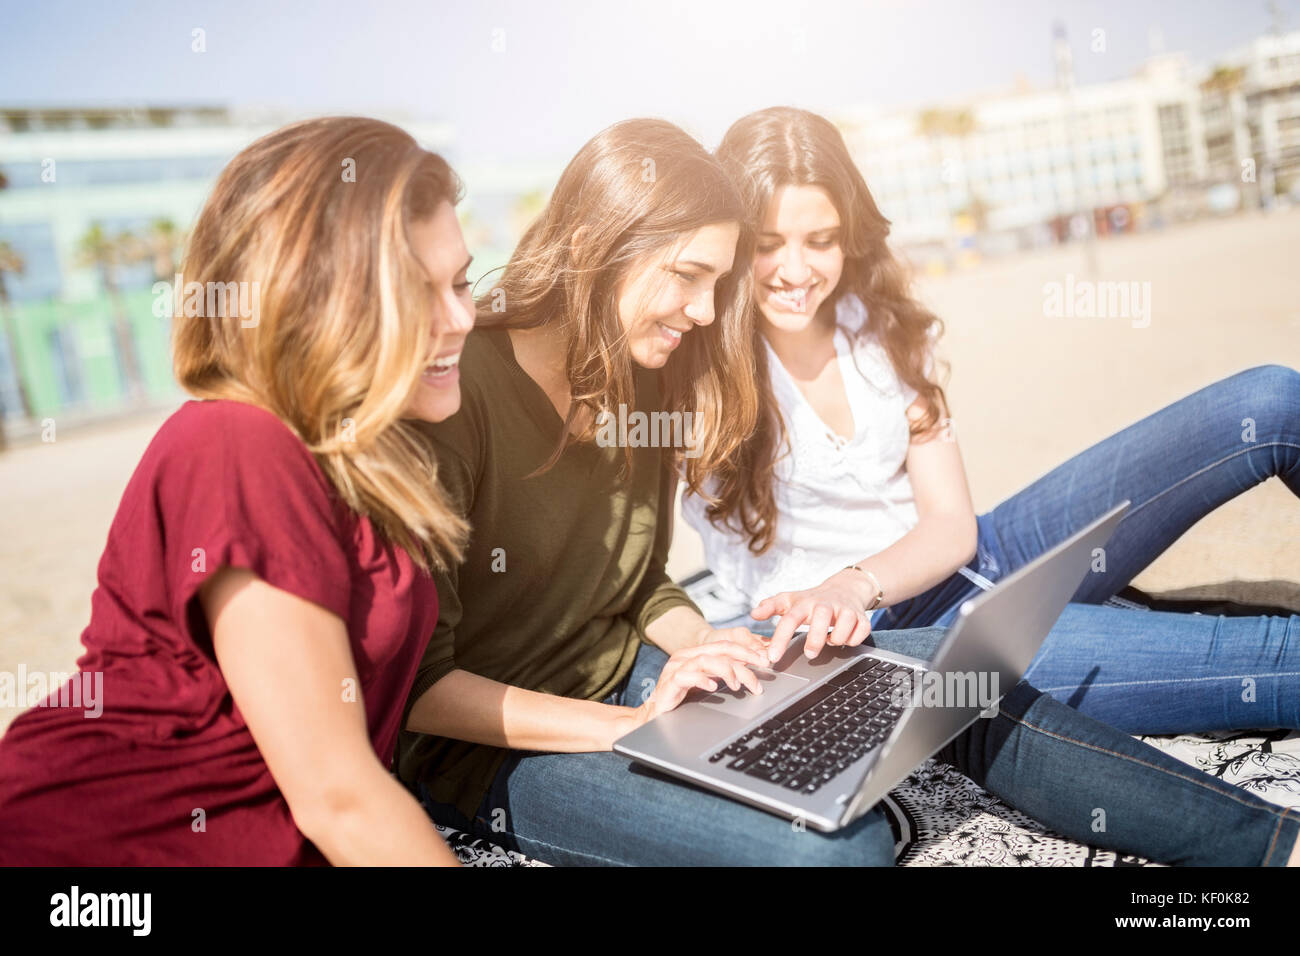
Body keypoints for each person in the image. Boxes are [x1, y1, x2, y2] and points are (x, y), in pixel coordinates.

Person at [399, 117, 1300, 867]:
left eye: (717, 283)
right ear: (606, 244)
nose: (709, 311)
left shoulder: (644, 373)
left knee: (957, 684)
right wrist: (633, 724)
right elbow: (419, 689)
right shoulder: (476, 390)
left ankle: (1273, 848)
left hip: (668, 663)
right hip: (500, 745)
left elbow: (633, 585)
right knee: (841, 851)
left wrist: (706, 644)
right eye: (693, 277)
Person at [683, 106, 1300, 737]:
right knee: (1267, 659)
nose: (795, 271)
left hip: (983, 551)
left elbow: (952, 525)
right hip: (898, 641)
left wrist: (855, 582)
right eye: (766, 246)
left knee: (1271, 401)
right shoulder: (689, 365)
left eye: (821, 241)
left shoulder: (879, 327)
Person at [0, 117, 472, 865]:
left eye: (463, 281)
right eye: (420, 292)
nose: (461, 318)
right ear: (317, 302)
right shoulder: (240, 445)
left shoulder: (360, 456)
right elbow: (339, 796)